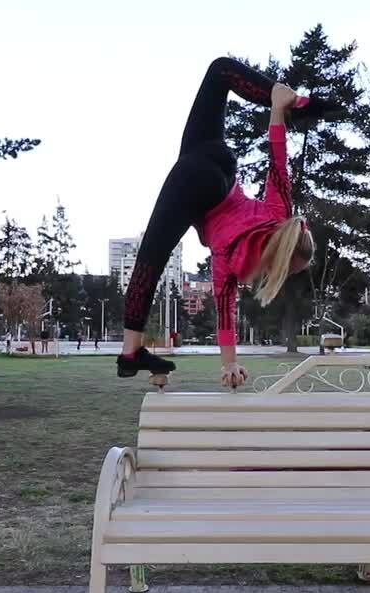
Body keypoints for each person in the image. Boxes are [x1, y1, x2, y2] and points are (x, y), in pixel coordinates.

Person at [116, 57, 341, 386]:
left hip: (215, 159)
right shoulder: (233, 262)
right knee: (151, 256)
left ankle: (287, 97)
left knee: (220, 71)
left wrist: (278, 109)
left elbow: (278, 159)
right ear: (281, 262)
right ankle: (129, 352)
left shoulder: (279, 217)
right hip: (198, 187)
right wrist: (229, 364)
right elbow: (225, 314)